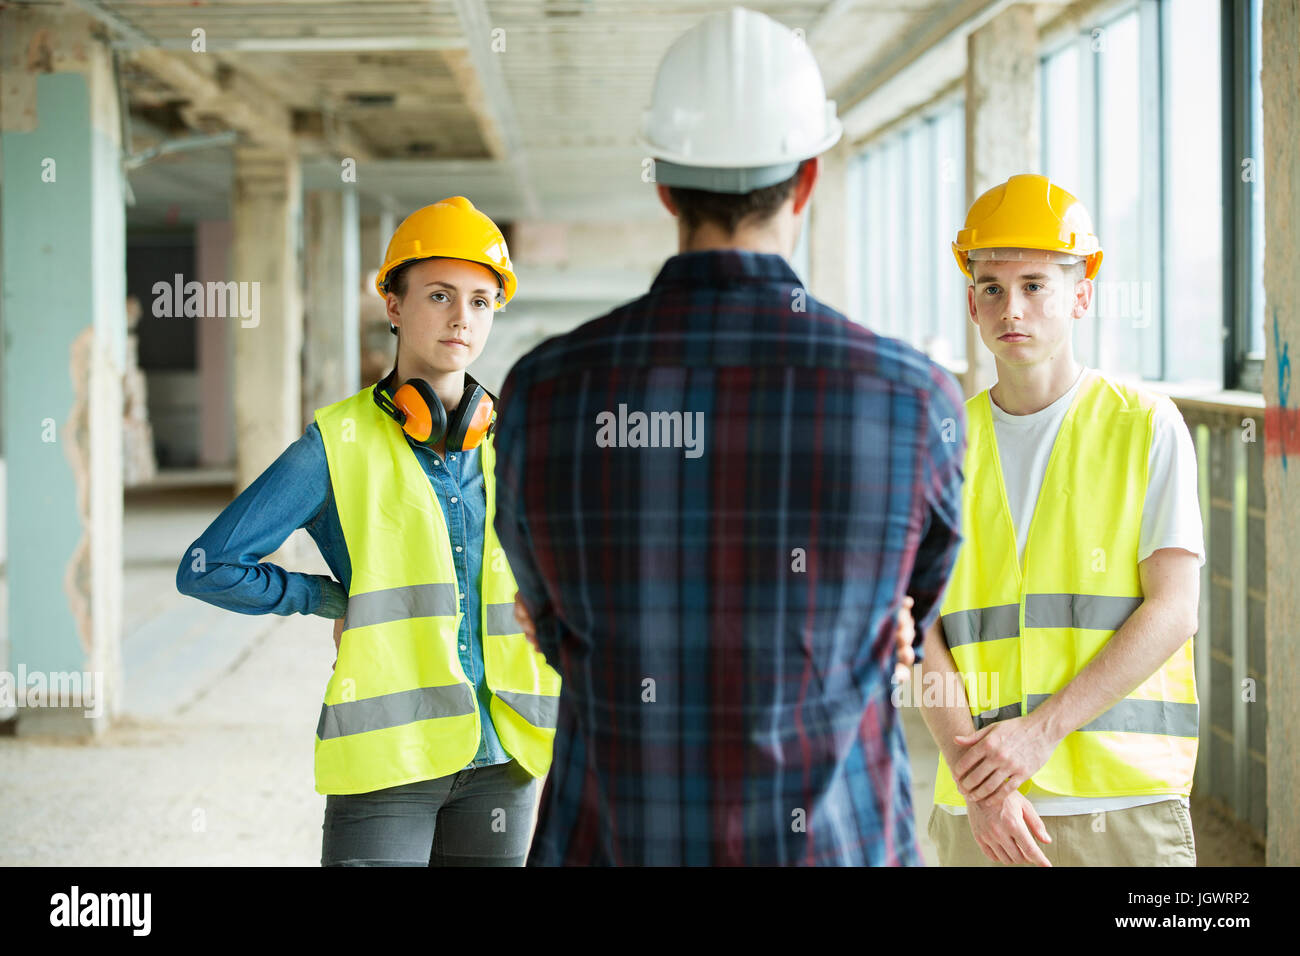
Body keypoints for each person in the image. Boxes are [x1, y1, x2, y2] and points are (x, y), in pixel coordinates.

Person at [491, 6, 965, 866]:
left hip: (616, 837)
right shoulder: (913, 398)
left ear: (666, 186)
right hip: (834, 845)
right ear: (808, 179)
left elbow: (552, 625)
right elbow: (911, 606)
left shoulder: (545, 388)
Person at [176, 196, 560, 866]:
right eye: (439, 295)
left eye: (480, 301)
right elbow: (207, 565)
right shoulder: (337, 442)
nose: (461, 319)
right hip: (390, 761)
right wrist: (328, 598)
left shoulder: (519, 440)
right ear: (393, 304)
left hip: (504, 758)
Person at [919, 174, 1204, 867]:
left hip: (1125, 802)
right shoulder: (941, 442)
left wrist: (1039, 733)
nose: (1011, 306)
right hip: (982, 809)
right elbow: (917, 629)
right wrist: (977, 782)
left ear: (1081, 293)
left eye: (1035, 284)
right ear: (971, 303)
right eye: (991, 287)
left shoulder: (1144, 426)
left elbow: (1174, 610)